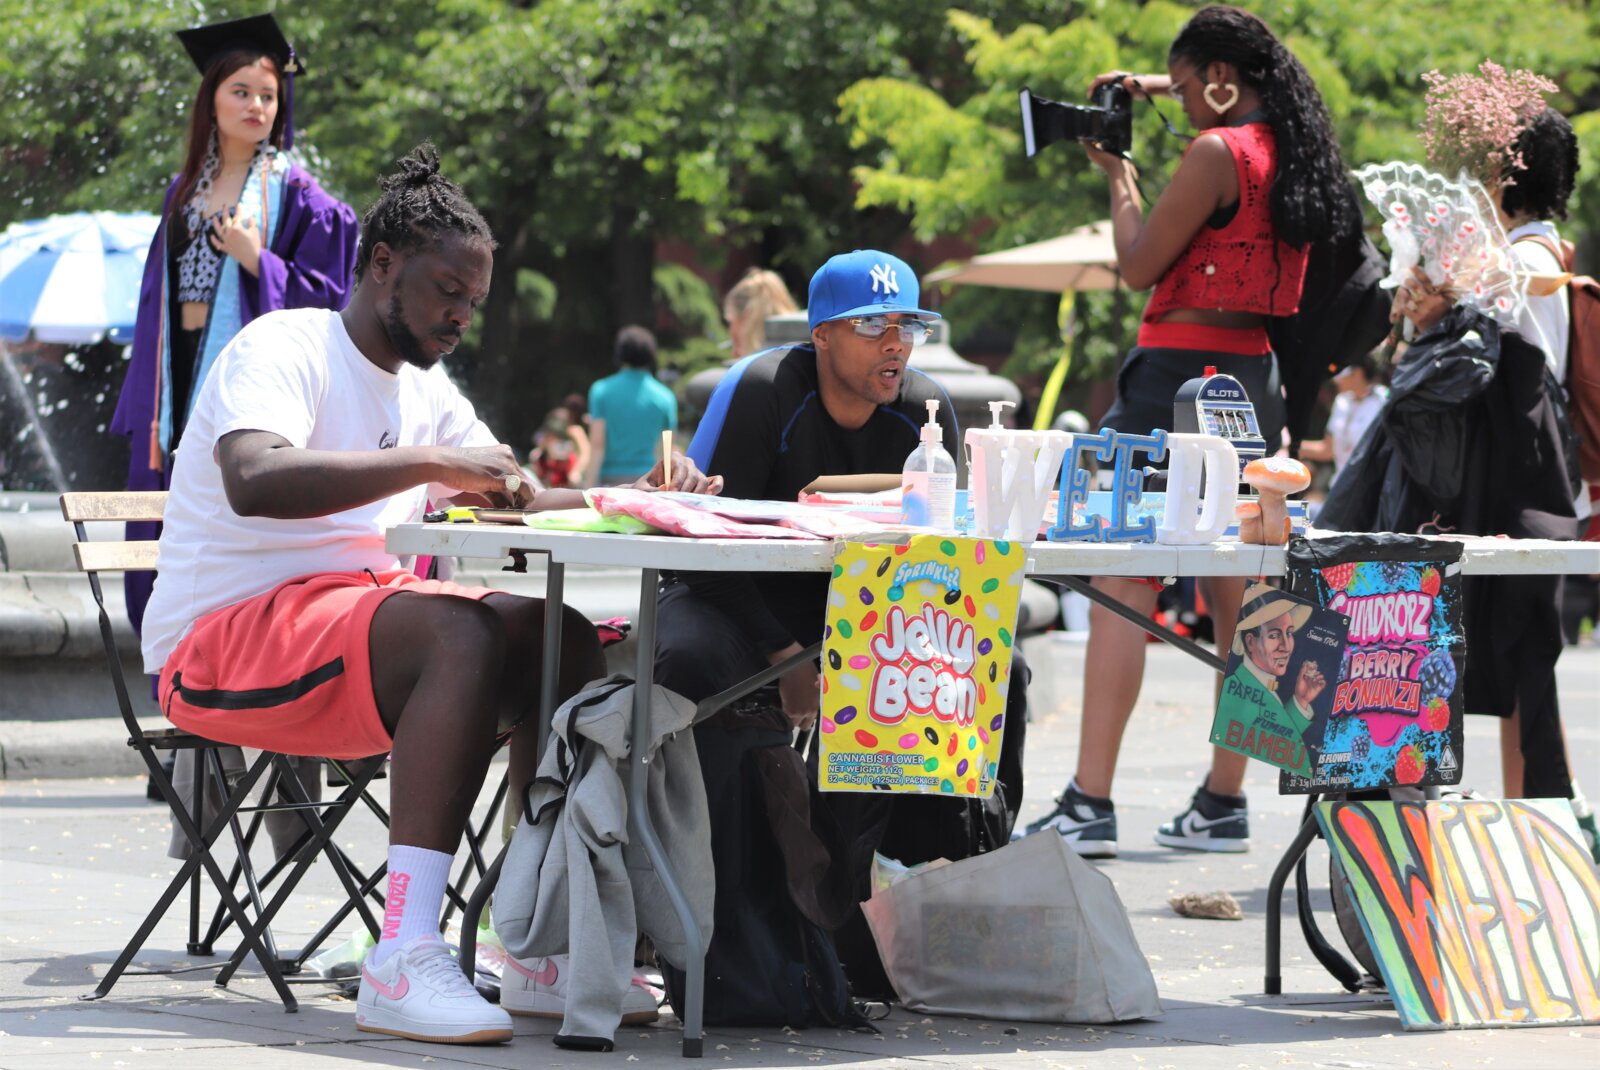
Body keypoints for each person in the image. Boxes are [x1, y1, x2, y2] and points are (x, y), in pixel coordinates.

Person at [139, 144, 719, 1045]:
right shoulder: (283, 345)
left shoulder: (428, 389)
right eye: (448, 292)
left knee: (554, 633)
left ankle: (531, 938)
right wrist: (432, 462)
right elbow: (255, 478)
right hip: (222, 644)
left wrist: (638, 494)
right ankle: (402, 952)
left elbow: (513, 490)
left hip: (354, 627)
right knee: (459, 633)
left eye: (473, 302)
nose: (461, 318)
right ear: (382, 267)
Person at [1022, 4, 1352, 856]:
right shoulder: (1292, 149)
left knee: (1123, 580)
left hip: (1170, 381)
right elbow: (1218, 86)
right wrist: (1158, 82)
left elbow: (1137, 264)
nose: (1177, 99)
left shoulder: (1215, 152)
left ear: (1220, 82)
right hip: (1251, 384)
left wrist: (1116, 171)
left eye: (1186, 84)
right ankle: (1222, 800)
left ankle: (1091, 801)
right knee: (1242, 598)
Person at [656, 251, 1029, 990]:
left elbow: (943, 569)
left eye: (908, 325)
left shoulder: (925, 412)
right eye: (871, 324)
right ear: (822, 334)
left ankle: (923, 873)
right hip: (733, 603)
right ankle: (708, 916)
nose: (896, 342)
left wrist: (848, 659)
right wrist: (786, 656)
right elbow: (699, 547)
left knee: (999, 669)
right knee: (691, 659)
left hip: (853, 618)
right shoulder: (762, 391)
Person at [110, 13, 360, 638]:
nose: (255, 105)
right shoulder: (182, 193)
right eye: (240, 91)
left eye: (268, 95)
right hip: (177, 384)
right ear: (211, 99)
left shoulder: (302, 199)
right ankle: (175, 664)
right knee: (168, 535)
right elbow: (152, 307)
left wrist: (259, 261)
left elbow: (332, 310)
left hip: (240, 392)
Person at [1391, 101, 1597, 857]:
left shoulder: (1533, 260)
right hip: (1520, 480)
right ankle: (1544, 823)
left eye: (1480, 161)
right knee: (1510, 658)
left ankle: (1547, 828)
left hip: (1523, 484)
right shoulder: (1529, 252)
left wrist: (1448, 284)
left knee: (1517, 655)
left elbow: (1511, 321)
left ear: (1504, 173)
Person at [1213, 584, 1325, 780]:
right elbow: (1284, 743)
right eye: (1274, 635)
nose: (1285, 646)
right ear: (1250, 642)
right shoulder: (1245, 685)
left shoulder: (1261, 680)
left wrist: (1301, 701)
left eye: (1289, 633)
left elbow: (1281, 736)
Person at [1298, 353, 1388, 483]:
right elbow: (1328, 449)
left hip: (1371, 486)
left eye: (1340, 371)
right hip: (1340, 484)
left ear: (1357, 373)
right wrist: (1290, 446)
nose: (1336, 379)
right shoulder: (1342, 402)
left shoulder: (1383, 400)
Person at [722, 267, 798, 359]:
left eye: (730, 321)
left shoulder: (748, 369)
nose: (730, 330)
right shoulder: (808, 351)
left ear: (746, 318)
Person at [529, 397, 590, 489]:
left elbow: (586, 452)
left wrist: (576, 471)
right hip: (552, 473)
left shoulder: (575, 431)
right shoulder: (548, 433)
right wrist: (539, 452)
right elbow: (538, 448)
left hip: (570, 471)